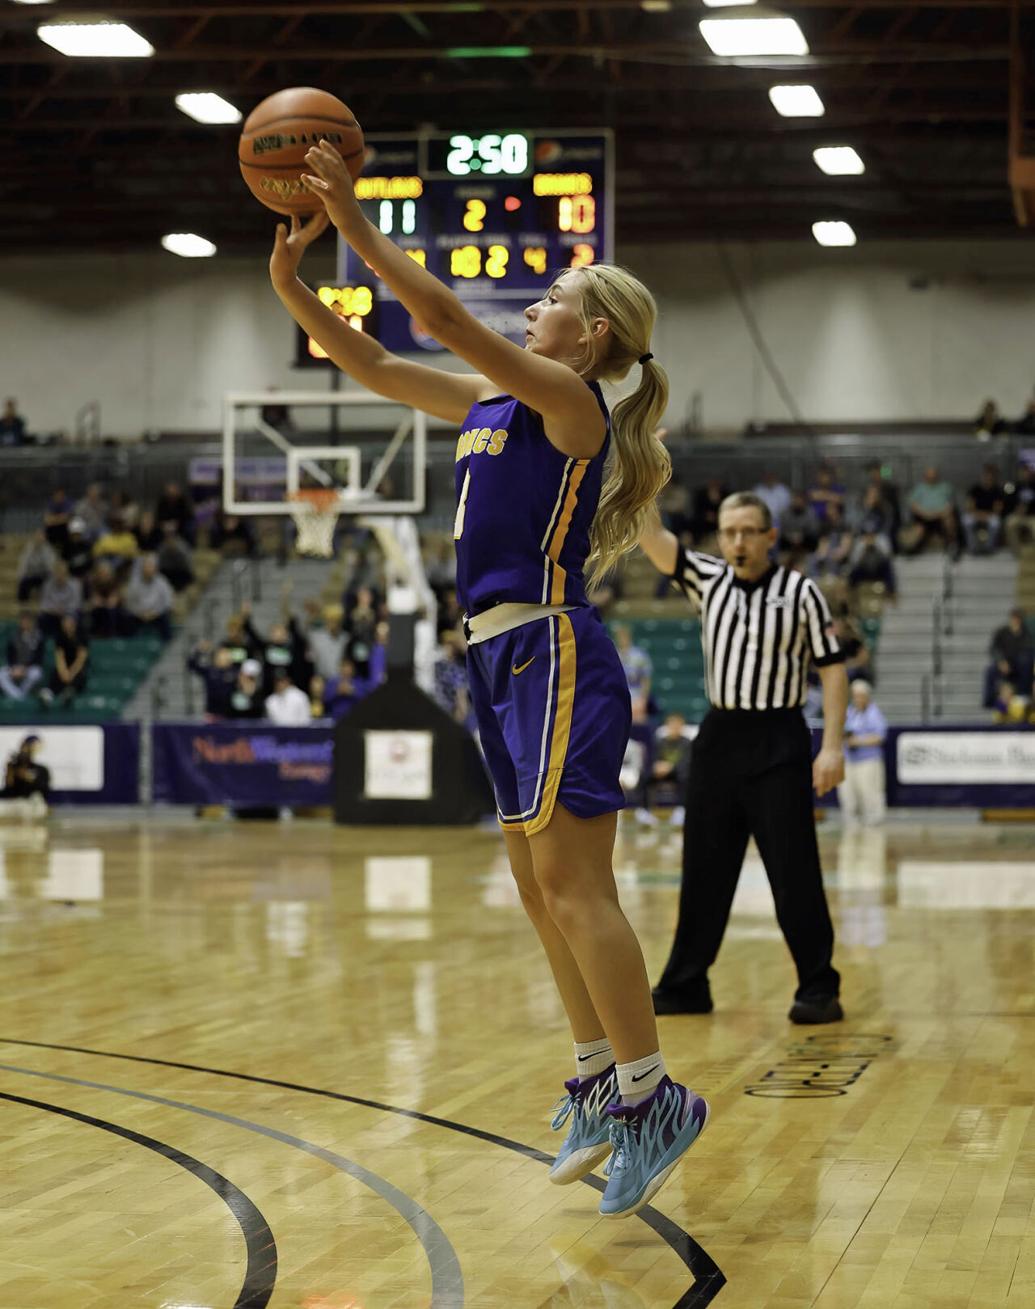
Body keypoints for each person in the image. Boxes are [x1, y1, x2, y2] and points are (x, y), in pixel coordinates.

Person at [271, 149, 709, 1218]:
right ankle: (600, 1075)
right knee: (535, 888)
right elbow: (376, 362)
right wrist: (291, 284)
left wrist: (355, 223)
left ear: (590, 335)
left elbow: (441, 317)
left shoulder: (568, 402)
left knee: (576, 886)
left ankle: (655, 1096)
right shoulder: (488, 402)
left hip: (552, 650)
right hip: (494, 658)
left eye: (553, 297)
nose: (534, 306)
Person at [638, 490, 848, 1025]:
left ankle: (818, 987)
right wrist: (642, 477)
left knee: (793, 868)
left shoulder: (800, 592)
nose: (737, 541)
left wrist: (831, 746)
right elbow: (653, 538)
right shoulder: (707, 578)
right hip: (720, 736)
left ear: (769, 537)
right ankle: (687, 983)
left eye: (748, 532)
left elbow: (832, 668)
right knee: (703, 866)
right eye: (729, 532)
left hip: (779, 737)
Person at [838, 680, 888, 827]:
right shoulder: (850, 712)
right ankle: (851, 822)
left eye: (861, 696)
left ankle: (873, 823)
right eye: (855, 696)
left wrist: (858, 741)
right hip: (849, 759)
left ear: (867, 696)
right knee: (848, 793)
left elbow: (879, 737)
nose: (858, 699)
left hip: (868, 760)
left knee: (869, 792)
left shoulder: (874, 713)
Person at [901, 466, 958, 555]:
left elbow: (951, 504)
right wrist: (926, 514)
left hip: (941, 516)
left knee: (949, 520)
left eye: (933, 475)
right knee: (917, 529)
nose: (932, 477)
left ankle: (952, 546)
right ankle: (911, 549)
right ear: (925, 476)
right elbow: (912, 505)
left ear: (937, 476)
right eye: (929, 475)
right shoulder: (919, 488)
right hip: (923, 517)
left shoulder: (945, 487)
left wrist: (941, 513)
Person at [983, 608, 1034, 706]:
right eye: (1014, 618)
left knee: (1025, 663)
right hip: (1004, 663)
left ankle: (1023, 695)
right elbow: (994, 648)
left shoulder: (1026, 634)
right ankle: (989, 700)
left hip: (1019, 666)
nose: (1016, 621)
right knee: (990, 670)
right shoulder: (1002, 632)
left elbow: (1028, 651)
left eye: (1018, 619)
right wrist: (1001, 661)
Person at [40, 615, 89, 707]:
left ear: (74, 623)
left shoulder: (82, 636)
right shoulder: (60, 637)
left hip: (77, 667)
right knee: (57, 674)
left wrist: (71, 673)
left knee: (79, 677)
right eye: (65, 622)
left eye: (69, 622)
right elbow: (59, 657)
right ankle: (48, 694)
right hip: (65, 666)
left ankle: (68, 693)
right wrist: (64, 672)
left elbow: (81, 659)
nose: (66, 624)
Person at [124, 554, 175, 641]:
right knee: (127, 619)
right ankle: (131, 644)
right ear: (142, 568)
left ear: (155, 568)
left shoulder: (162, 582)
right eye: (146, 567)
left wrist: (155, 612)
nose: (148, 569)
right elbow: (130, 603)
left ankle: (168, 644)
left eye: (151, 567)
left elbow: (167, 602)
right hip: (139, 615)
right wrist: (140, 613)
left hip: (157, 614)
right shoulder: (134, 583)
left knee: (165, 619)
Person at [0, 611, 45, 701]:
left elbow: (38, 658)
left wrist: (25, 668)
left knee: (36, 674)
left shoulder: (38, 636)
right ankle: (19, 697)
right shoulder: (14, 636)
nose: (25, 623)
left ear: (31, 622)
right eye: (23, 621)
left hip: (30, 668)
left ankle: (19, 697)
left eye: (27, 621)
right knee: (1, 674)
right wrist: (14, 667)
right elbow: (10, 655)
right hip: (15, 668)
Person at [1, 735, 50, 817]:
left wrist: (29, 778)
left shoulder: (41, 769)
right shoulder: (14, 767)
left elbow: (44, 790)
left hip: (32, 802)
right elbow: (8, 788)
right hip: (15, 801)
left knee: (36, 805)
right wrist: (10, 773)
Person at [962, 463, 1004, 555]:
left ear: (994, 477)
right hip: (975, 514)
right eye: (986, 475)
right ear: (983, 476)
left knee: (995, 523)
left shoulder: (998, 490)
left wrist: (985, 515)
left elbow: (997, 509)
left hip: (990, 515)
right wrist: (978, 515)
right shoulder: (975, 489)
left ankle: (989, 548)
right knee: (967, 521)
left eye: (991, 476)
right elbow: (969, 507)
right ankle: (973, 547)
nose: (988, 478)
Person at [612, 624, 652, 716]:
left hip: (636, 694)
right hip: (617, 695)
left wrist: (643, 698)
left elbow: (646, 678)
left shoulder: (639, 655)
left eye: (624, 636)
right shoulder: (613, 654)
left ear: (629, 636)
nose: (622, 639)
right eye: (619, 636)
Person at [38, 559, 82, 640]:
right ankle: (45, 639)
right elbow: (43, 604)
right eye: (57, 573)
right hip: (52, 612)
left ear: (67, 573)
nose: (60, 576)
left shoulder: (75, 584)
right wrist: (54, 610)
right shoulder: (47, 585)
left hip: (69, 612)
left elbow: (76, 604)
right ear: (54, 574)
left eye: (62, 573)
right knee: (41, 617)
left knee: (71, 618)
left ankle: (70, 640)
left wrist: (64, 610)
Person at [16, 530, 57, 604]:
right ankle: (23, 606)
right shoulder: (29, 548)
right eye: (37, 537)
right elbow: (23, 564)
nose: (39, 539)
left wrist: (41, 551)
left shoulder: (48, 549)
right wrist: (20, 576)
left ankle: (47, 604)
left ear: (44, 539)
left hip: (44, 575)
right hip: (31, 575)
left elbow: (49, 566)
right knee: (23, 583)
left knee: (49, 582)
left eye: (41, 537)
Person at [1003, 464, 1035, 555]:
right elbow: (1008, 502)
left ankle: (1032, 552)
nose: (1025, 474)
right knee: (1010, 523)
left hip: (1032, 516)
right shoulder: (1014, 486)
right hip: (1017, 515)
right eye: (1023, 472)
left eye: (1027, 472)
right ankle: (1017, 552)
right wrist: (1016, 509)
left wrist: (1030, 509)